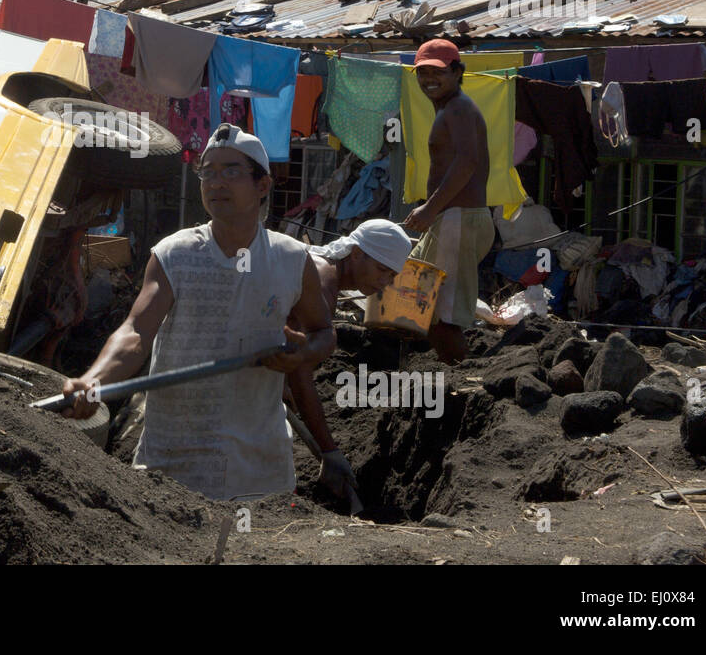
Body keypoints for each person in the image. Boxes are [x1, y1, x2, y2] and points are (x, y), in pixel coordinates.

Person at [59, 124, 336, 502]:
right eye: (208, 172)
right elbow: (136, 332)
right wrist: (94, 380)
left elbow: (324, 333)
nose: (216, 182)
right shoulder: (175, 254)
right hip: (175, 460)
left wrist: (303, 354)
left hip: (258, 466)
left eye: (231, 171)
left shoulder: (291, 259)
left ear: (263, 186)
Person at [296, 219, 414, 500]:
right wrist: (329, 450)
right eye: (381, 270)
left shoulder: (325, 271)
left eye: (391, 276)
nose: (384, 281)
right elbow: (297, 370)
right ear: (357, 252)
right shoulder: (322, 279)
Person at [401, 38, 494, 363]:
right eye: (422, 73)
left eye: (437, 72)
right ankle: (447, 369)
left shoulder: (459, 108)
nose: (429, 80)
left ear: (456, 72)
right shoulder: (451, 108)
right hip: (452, 218)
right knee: (416, 301)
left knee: (440, 314)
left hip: (458, 219)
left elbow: (467, 162)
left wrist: (430, 208)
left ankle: (461, 378)